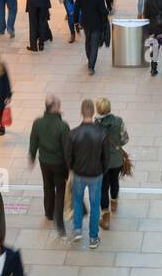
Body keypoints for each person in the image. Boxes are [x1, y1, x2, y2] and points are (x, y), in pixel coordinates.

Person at [68, 100, 109, 248]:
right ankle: (93, 237)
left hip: (79, 174)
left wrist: (72, 170)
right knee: (95, 204)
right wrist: (102, 170)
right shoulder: (102, 133)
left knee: (77, 200)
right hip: (96, 175)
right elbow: (107, 157)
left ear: (81, 112)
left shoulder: (73, 134)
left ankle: (77, 229)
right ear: (93, 113)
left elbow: (69, 157)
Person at [29, 94, 70, 235]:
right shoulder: (63, 126)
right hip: (59, 163)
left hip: (44, 161)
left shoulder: (37, 123)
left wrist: (32, 156)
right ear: (55, 107)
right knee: (60, 188)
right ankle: (59, 218)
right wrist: (70, 166)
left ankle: (48, 212)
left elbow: (33, 141)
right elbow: (67, 149)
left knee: (47, 185)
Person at [95, 96, 128, 230]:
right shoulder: (118, 121)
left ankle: (106, 218)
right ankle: (114, 202)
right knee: (115, 181)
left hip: (102, 162)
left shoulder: (95, 125)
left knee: (103, 187)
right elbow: (125, 139)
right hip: (116, 160)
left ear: (98, 109)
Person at [75, 0, 109, 74]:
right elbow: (103, 11)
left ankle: (89, 58)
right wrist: (106, 13)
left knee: (87, 41)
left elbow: (76, 9)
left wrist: (76, 22)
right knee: (94, 44)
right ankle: (91, 66)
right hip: (97, 24)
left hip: (85, 23)